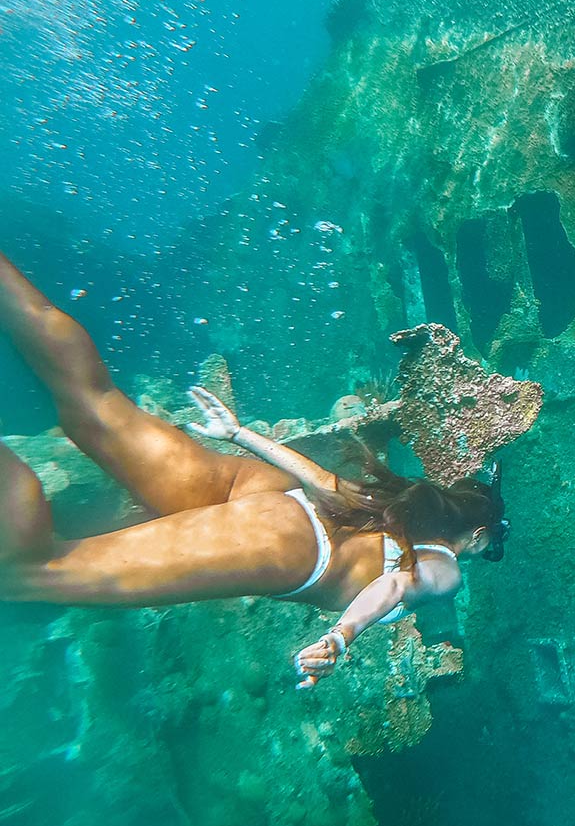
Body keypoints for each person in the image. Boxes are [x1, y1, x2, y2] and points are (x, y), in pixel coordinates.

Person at [0, 252, 508, 689]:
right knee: (30, 572)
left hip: (269, 491)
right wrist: (342, 635)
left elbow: (322, 481)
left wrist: (239, 434)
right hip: (289, 545)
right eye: (492, 545)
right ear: (479, 533)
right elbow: (395, 588)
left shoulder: (401, 513)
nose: (486, 553)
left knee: (95, 404)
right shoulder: (446, 567)